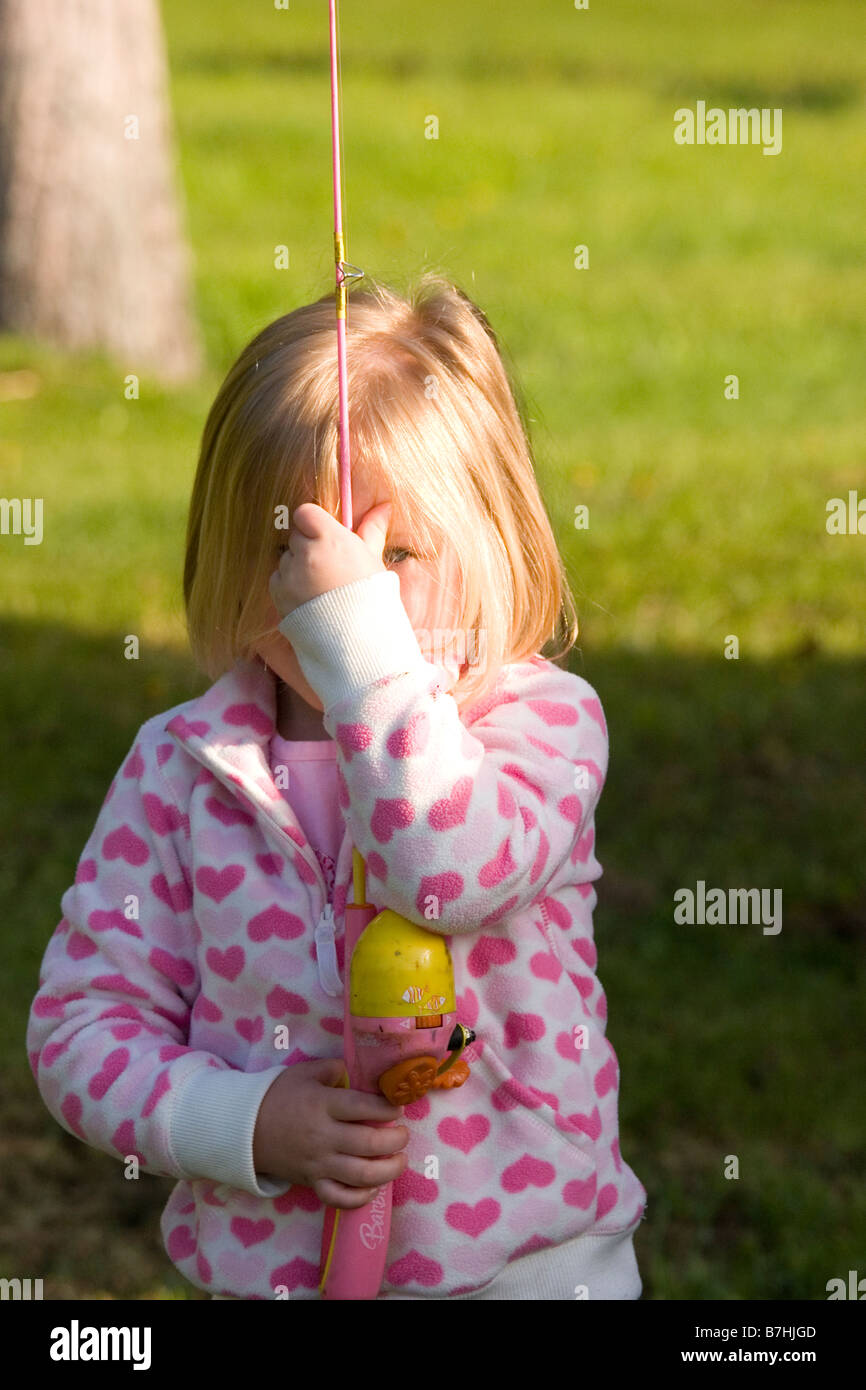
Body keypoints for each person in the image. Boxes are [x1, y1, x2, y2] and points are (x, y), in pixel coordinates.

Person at [26, 272, 647, 1300]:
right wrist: (246, 1119)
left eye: (391, 554)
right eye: (289, 547)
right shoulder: (184, 769)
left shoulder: (538, 725)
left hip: (528, 1272)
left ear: (490, 540)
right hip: (276, 1274)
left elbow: (444, 870)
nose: (336, 586)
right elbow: (83, 1025)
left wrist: (364, 654)